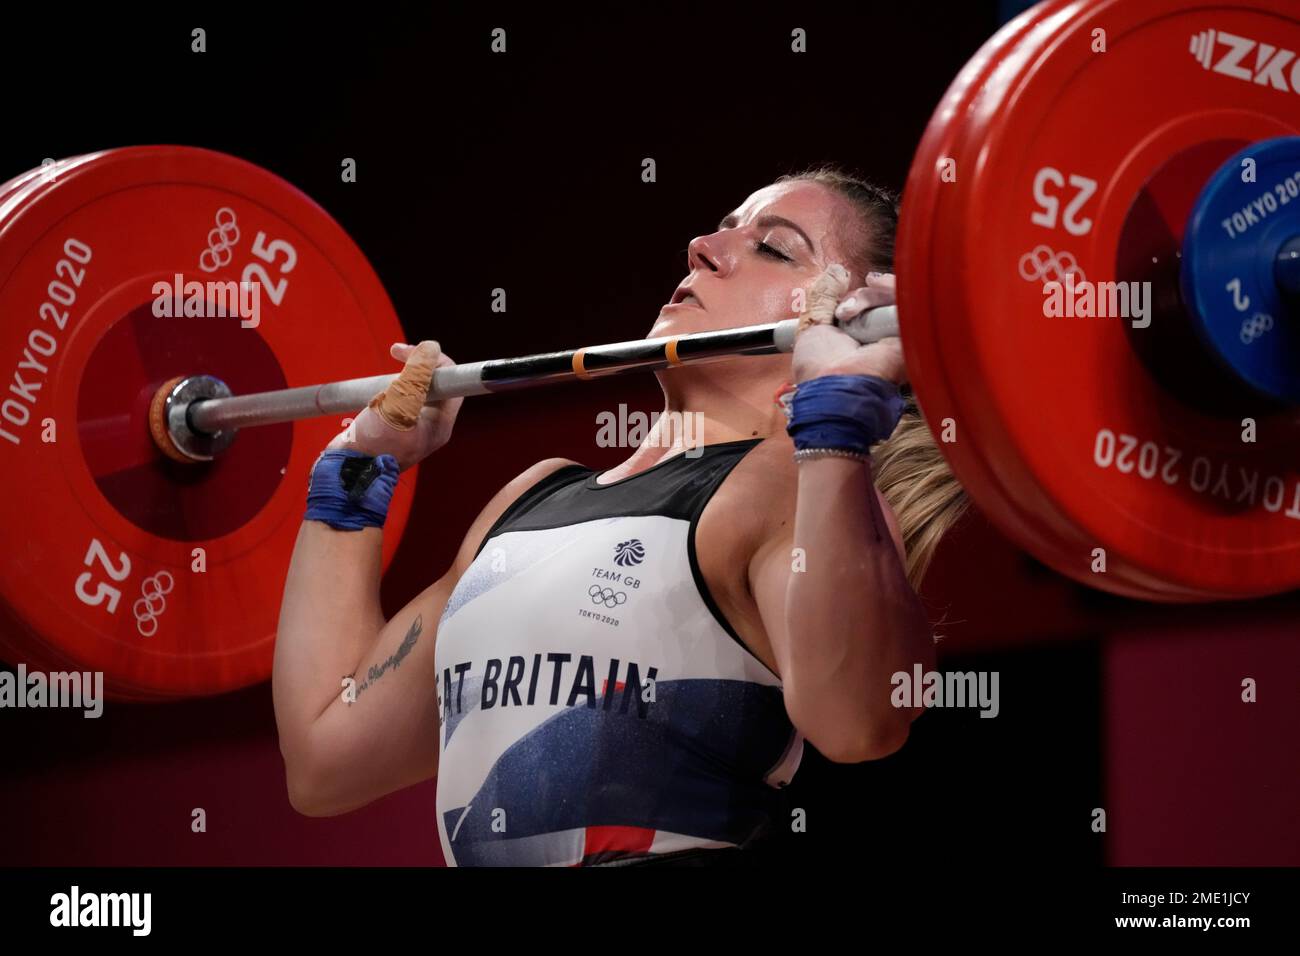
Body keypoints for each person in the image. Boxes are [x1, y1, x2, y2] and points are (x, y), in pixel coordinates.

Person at [272, 164, 968, 866]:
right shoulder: (532, 500)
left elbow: (858, 723)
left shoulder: (789, 487)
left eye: (774, 248)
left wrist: (835, 423)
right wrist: (357, 470)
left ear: (849, 317)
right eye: (724, 230)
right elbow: (325, 757)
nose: (703, 246)